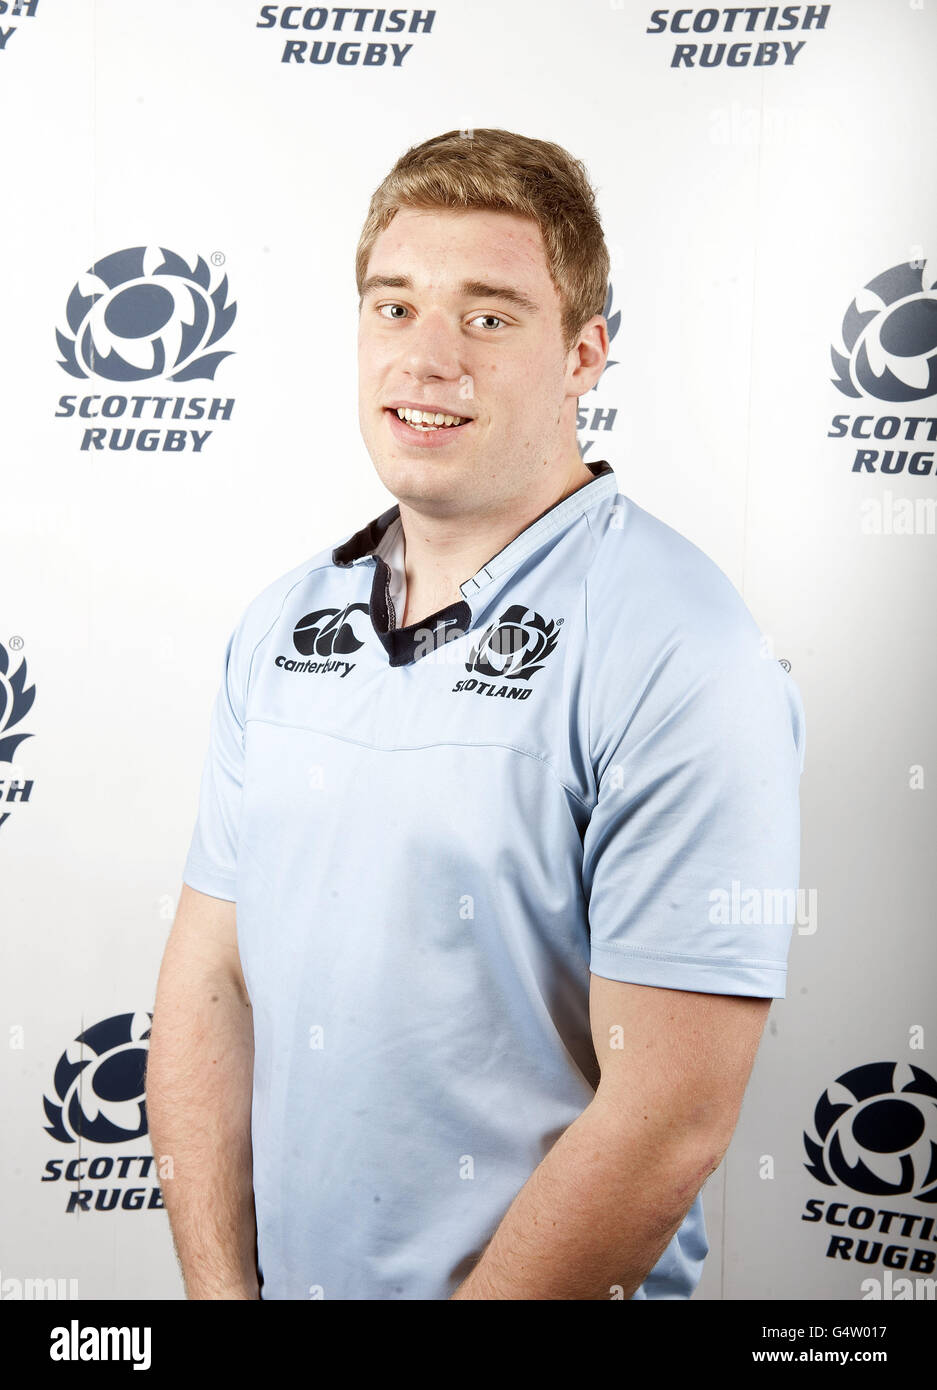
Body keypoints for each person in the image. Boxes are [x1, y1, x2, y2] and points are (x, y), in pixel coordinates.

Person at [146, 128, 806, 1301]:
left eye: (489, 317)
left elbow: (666, 1122)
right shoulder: (283, 622)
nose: (428, 359)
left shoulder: (679, 645)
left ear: (584, 355)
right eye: (393, 308)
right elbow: (209, 989)